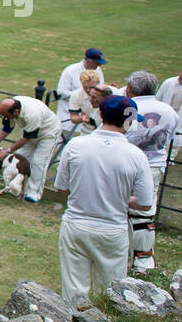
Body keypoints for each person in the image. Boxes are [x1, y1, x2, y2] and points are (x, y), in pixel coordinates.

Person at [53, 95, 154, 307]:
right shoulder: (136, 156)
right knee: (109, 293)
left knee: (73, 291)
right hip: (112, 229)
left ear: (100, 114)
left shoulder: (75, 145)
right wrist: (121, 198)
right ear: (129, 121)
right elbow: (145, 203)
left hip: (76, 224)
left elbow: (62, 187)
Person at [122, 70, 179, 273]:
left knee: (121, 207)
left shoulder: (129, 107)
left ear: (130, 89)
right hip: (154, 165)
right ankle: (143, 260)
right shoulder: (170, 112)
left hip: (127, 163)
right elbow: (169, 138)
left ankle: (124, 255)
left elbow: (124, 134)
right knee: (145, 211)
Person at [0, 94, 61, 203]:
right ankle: (15, 188)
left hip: (49, 133)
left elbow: (26, 138)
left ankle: (33, 194)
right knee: (20, 159)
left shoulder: (32, 114)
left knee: (39, 162)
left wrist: (7, 150)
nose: (6, 118)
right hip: (31, 132)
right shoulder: (11, 108)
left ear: (16, 112)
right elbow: (7, 128)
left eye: (7, 116)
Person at [55, 48, 107, 140]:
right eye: (97, 62)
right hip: (67, 117)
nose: (99, 65)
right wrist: (82, 96)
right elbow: (62, 92)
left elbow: (100, 90)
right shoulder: (70, 70)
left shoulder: (98, 70)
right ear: (88, 61)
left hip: (90, 121)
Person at [67, 68, 103, 138]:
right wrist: (82, 118)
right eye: (85, 87)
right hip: (87, 132)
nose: (88, 90)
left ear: (98, 83)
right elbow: (73, 117)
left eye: (92, 87)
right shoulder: (76, 95)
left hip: (105, 131)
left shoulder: (107, 93)